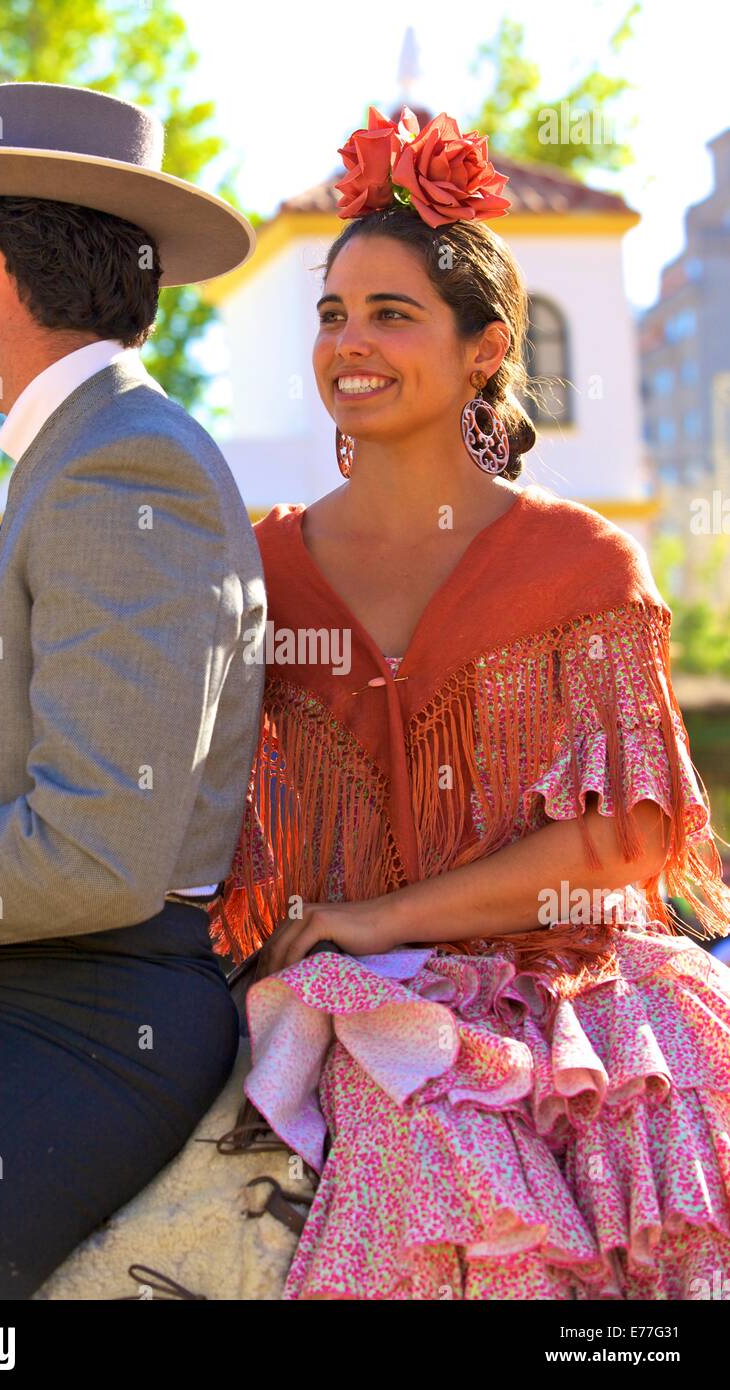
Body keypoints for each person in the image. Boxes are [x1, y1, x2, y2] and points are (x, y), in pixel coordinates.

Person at [209, 105, 730, 1301]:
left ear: (485, 349)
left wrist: (382, 916)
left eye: (392, 314)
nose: (350, 341)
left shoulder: (585, 564)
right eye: (332, 313)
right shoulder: (257, 563)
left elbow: (629, 844)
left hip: (579, 996)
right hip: (352, 1000)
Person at [0, 81, 265, 1297]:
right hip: (21, 1009)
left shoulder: (121, 464)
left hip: (75, 1023)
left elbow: (96, 852)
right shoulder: (86, 454)